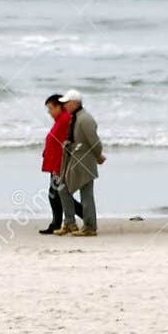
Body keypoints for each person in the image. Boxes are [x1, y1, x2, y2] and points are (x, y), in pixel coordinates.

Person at [57, 88, 105, 237]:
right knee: (63, 188)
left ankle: (90, 227)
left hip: (84, 162)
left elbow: (95, 142)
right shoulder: (75, 117)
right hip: (75, 161)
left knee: (86, 195)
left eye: (66, 103)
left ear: (75, 103)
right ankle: (70, 224)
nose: (64, 106)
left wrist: (98, 156)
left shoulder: (85, 119)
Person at [39, 93, 72, 235]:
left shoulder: (65, 120)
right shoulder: (60, 119)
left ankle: (56, 223)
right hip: (55, 163)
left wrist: (58, 167)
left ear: (59, 106)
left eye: (51, 108)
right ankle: (57, 223)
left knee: (55, 194)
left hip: (59, 164)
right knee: (58, 194)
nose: (49, 112)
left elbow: (64, 145)